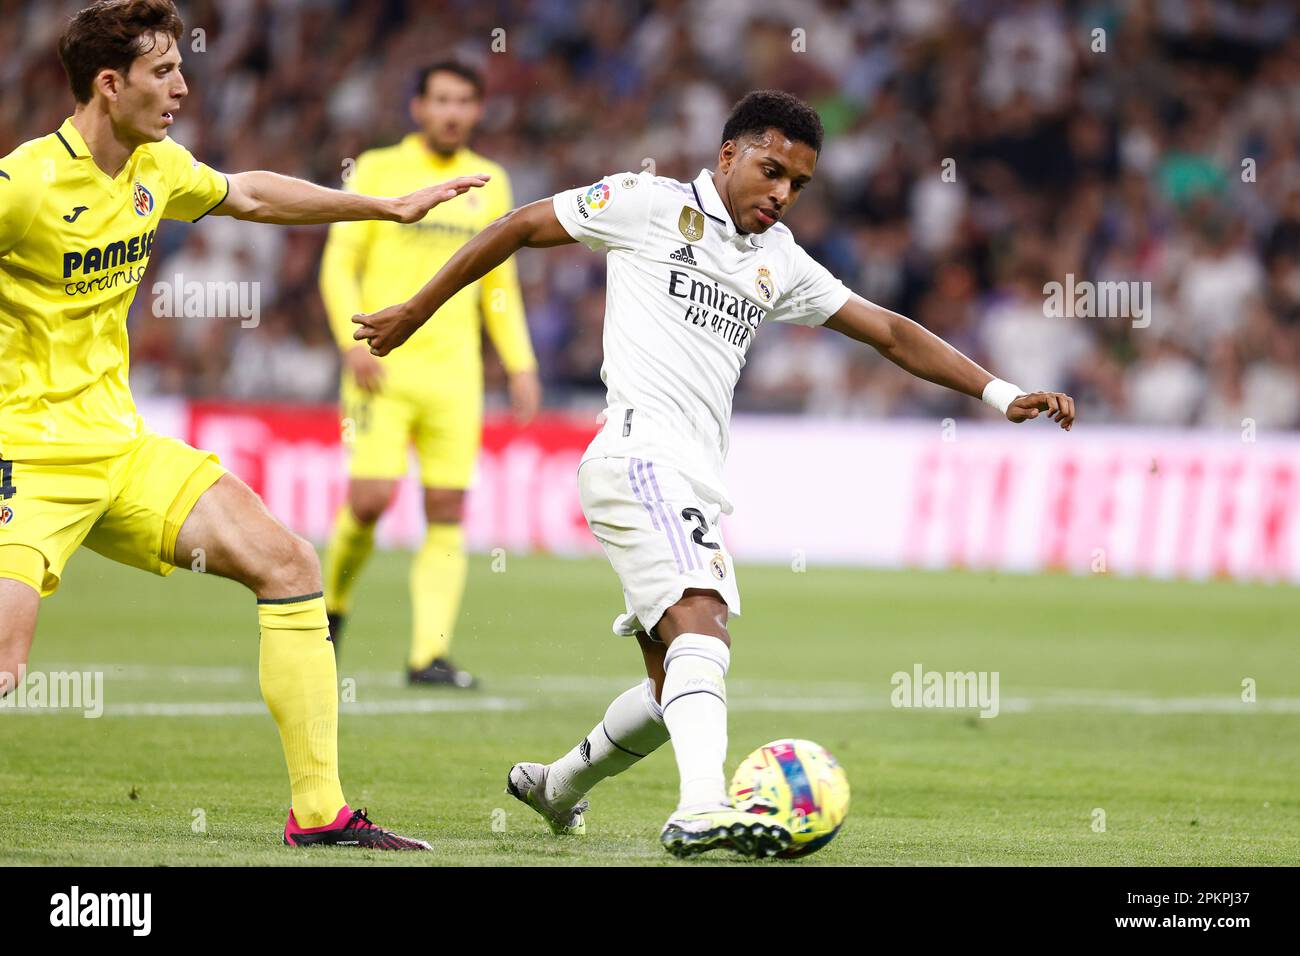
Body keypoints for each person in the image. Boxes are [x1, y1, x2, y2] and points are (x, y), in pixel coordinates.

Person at [353, 89, 1076, 858]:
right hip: (638, 457)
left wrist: (999, 394)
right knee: (703, 623)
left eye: (798, 184)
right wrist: (417, 309)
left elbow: (891, 332)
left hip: (693, 478)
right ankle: (702, 806)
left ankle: (556, 785)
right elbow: (518, 225)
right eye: (771, 171)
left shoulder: (779, 259)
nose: (782, 194)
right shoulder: (644, 203)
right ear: (728, 154)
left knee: (676, 685)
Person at [0, 0, 487, 850]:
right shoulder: (25, 184)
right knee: (7, 666)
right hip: (25, 463)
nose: (184, 85)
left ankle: (319, 813)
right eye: (164, 72)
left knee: (289, 562)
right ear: (109, 85)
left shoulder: (156, 166)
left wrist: (384, 207)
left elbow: (252, 196)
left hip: (120, 448)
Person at [319, 60, 539, 688]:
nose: (452, 112)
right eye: (441, 99)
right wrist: (349, 343)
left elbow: (500, 282)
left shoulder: (490, 182)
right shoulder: (379, 169)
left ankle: (429, 655)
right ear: (417, 107)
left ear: (477, 111)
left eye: (464, 101)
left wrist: (519, 364)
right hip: (379, 369)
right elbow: (339, 267)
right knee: (370, 500)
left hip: (455, 378)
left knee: (447, 507)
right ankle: (330, 610)